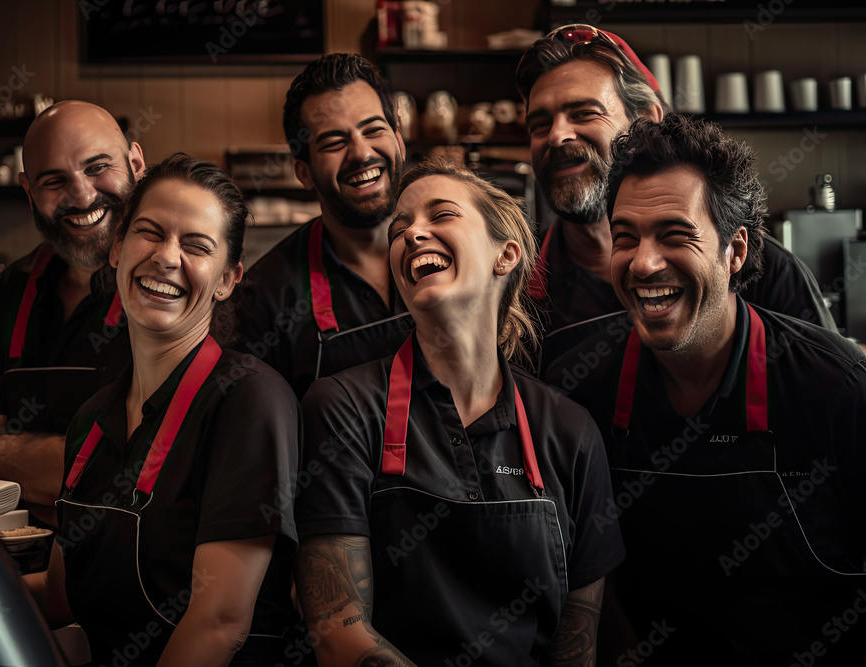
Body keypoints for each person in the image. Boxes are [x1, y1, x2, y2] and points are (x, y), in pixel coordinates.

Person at [543, 115, 866, 665]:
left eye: (675, 235)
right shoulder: (576, 391)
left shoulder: (836, 389)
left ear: (736, 250)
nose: (643, 263)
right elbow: (584, 594)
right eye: (626, 238)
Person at [295, 159, 624, 666]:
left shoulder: (570, 432)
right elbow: (339, 631)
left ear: (506, 254)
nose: (411, 234)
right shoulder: (343, 409)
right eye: (399, 228)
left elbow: (576, 644)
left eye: (441, 214)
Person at [26, 154, 302, 665]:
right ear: (117, 248)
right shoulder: (90, 421)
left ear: (227, 279)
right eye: (149, 233)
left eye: (196, 245)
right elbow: (65, 596)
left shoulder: (249, 401)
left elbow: (219, 624)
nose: (166, 257)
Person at [515, 24, 836, 354]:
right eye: (539, 124)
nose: (556, 136)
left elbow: (829, 388)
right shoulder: (516, 290)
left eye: (584, 113)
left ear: (645, 122)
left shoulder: (765, 269)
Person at [0, 101, 142, 525]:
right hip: (14, 558)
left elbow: (141, 474)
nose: (81, 195)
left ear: (136, 163)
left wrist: (0, 454)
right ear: (29, 192)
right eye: (54, 180)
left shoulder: (166, 291)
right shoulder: (14, 289)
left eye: (97, 167)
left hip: (126, 569)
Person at [230, 53, 412, 398]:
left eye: (373, 130)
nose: (361, 153)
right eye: (333, 142)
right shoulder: (264, 300)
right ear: (304, 172)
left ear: (398, 139)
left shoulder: (453, 251)